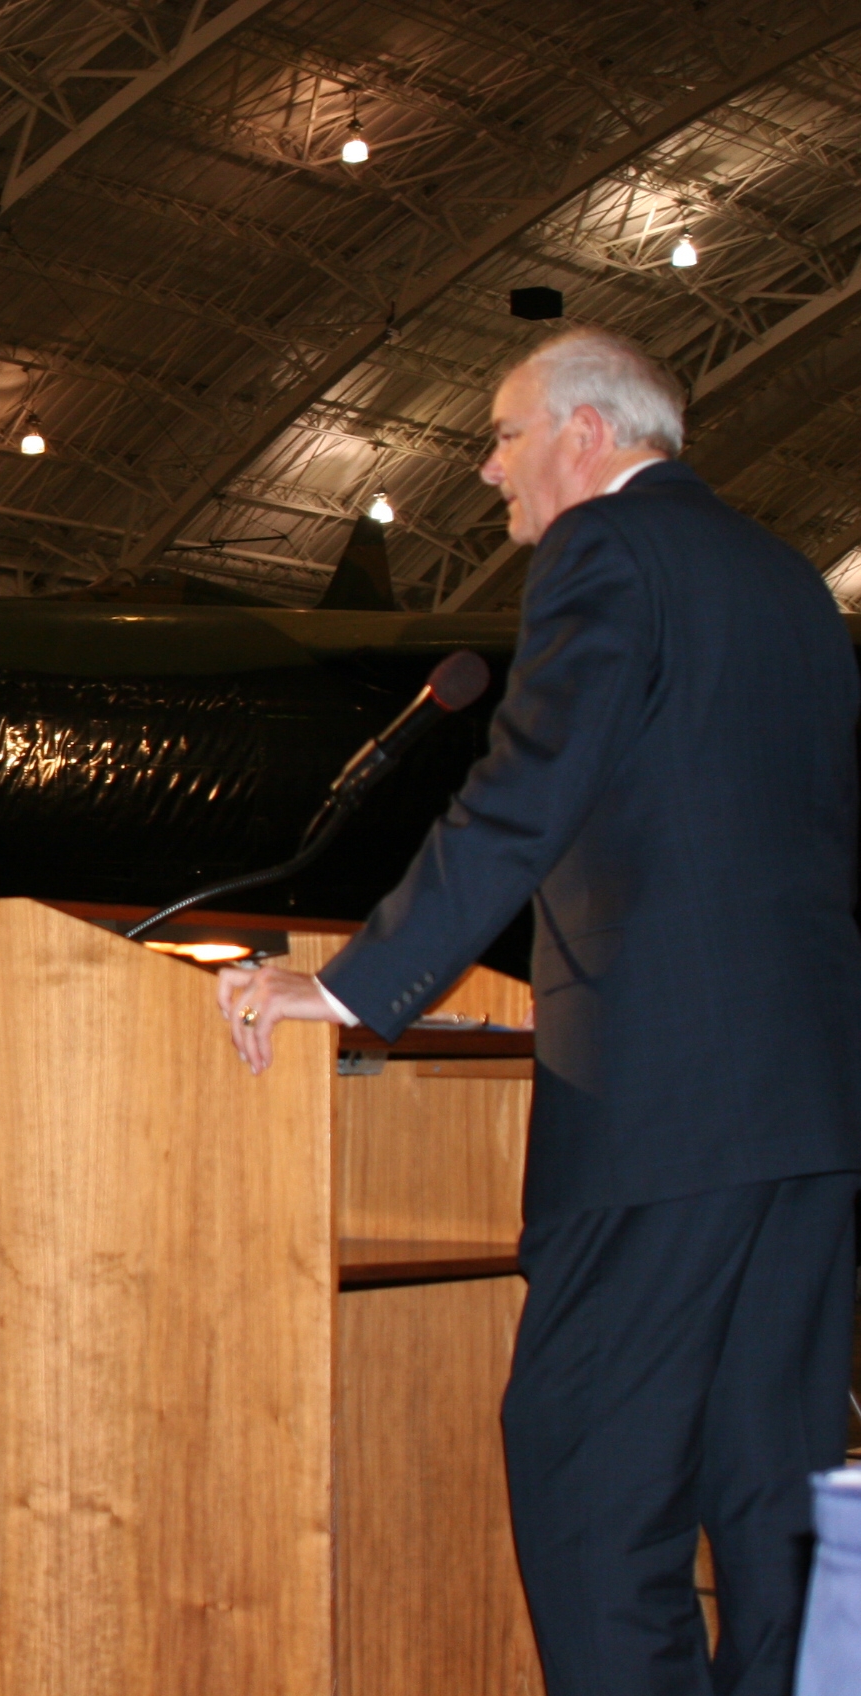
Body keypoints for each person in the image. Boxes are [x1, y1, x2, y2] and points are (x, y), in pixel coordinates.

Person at [218, 325, 861, 1696]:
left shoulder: (606, 554)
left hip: (658, 1111)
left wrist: (344, 985)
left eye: (504, 437)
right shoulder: (790, 580)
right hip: (804, 1107)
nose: (489, 472)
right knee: (773, 1491)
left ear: (586, 430)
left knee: (588, 1474)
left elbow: (525, 791)